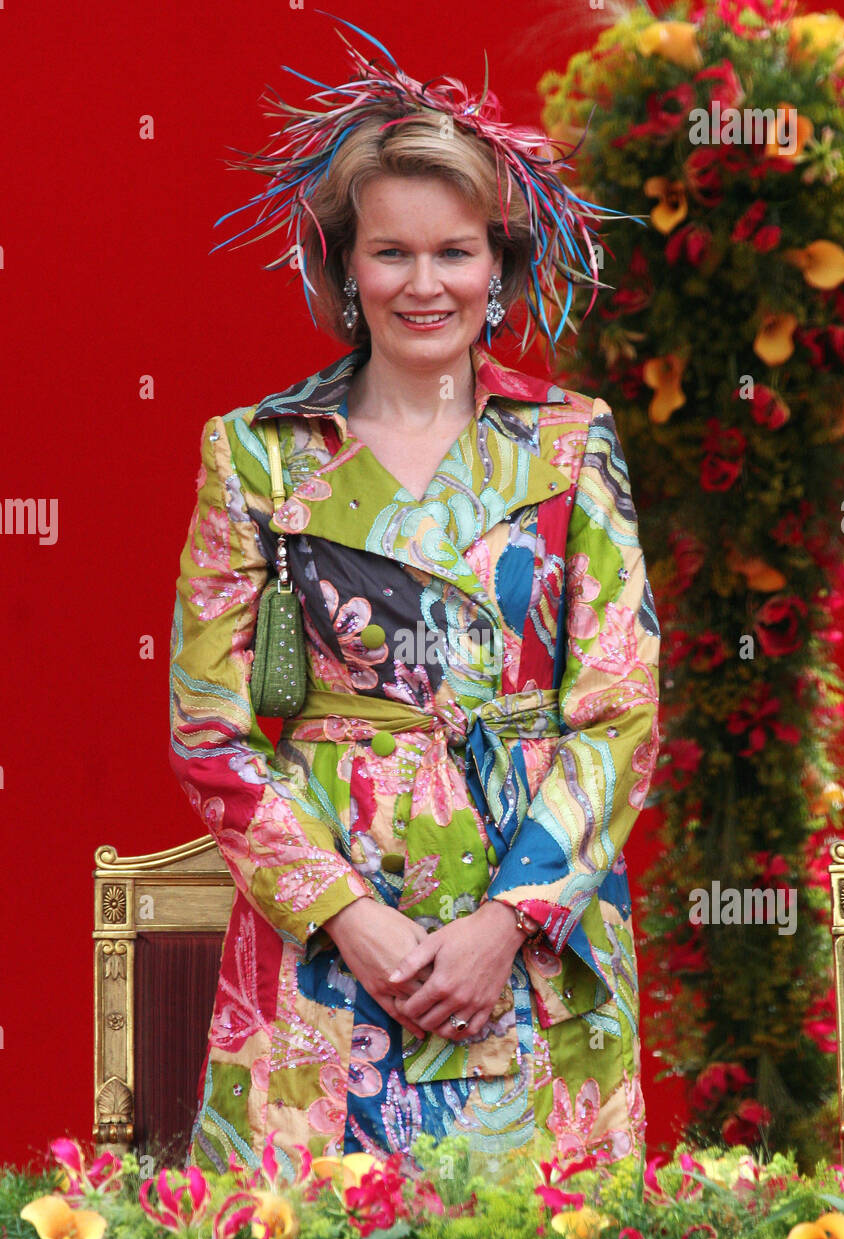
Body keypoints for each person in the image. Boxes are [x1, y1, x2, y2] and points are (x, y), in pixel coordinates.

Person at [169, 18, 660, 1177]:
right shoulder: (257, 453)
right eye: (390, 253)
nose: (423, 283)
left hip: (529, 925)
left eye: (454, 252)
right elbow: (209, 733)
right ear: (343, 266)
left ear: (499, 267)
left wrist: (504, 922)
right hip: (324, 940)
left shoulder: (569, 443)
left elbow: (619, 712)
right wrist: (353, 919)